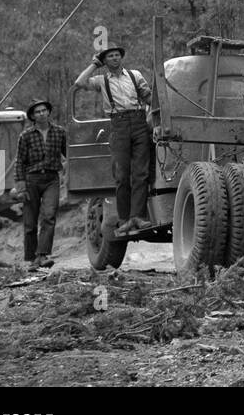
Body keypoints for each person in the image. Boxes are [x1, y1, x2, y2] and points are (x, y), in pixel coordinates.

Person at [75, 45, 154, 234]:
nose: (115, 59)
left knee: (141, 173)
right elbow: (79, 83)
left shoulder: (135, 75)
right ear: (105, 61)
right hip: (118, 125)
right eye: (110, 56)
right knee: (121, 175)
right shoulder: (101, 80)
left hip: (139, 121)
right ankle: (125, 219)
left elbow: (150, 98)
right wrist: (95, 64)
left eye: (117, 55)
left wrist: (155, 118)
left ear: (122, 57)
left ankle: (139, 217)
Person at [12, 98, 67, 269]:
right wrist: (20, 186)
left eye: (44, 110)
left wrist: (73, 173)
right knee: (30, 222)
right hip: (31, 180)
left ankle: (42, 255)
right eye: (37, 112)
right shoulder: (26, 136)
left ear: (49, 112)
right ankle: (31, 258)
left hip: (51, 179)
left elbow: (68, 153)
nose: (41, 113)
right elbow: (20, 161)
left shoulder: (59, 132)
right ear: (33, 116)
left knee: (49, 216)